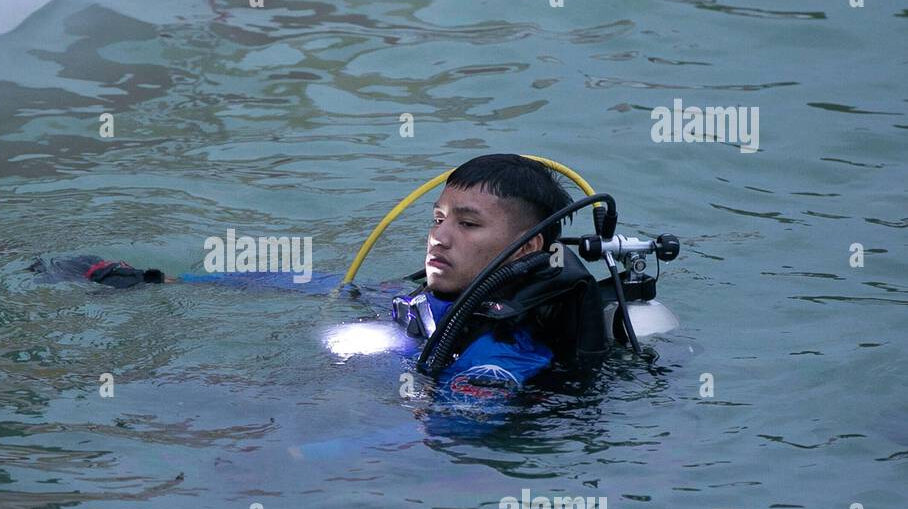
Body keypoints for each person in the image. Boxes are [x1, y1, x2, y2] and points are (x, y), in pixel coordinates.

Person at [32, 154, 607, 409]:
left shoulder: (499, 360)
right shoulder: (433, 297)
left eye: (468, 224)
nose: (439, 236)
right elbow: (310, 281)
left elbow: (436, 449)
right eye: (437, 218)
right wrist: (165, 279)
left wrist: (310, 454)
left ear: (527, 247)